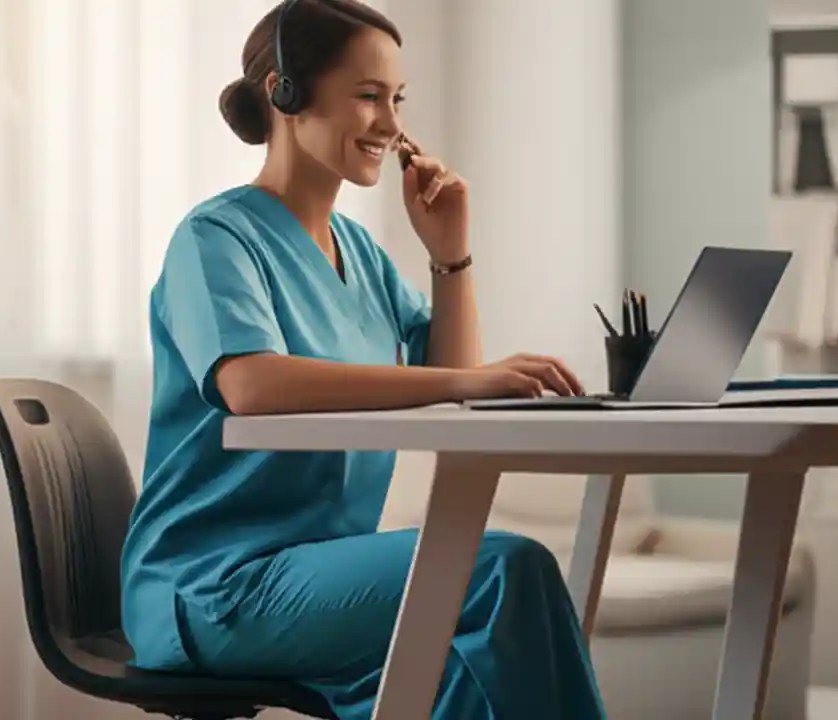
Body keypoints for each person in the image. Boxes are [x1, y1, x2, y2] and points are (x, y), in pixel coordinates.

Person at [119, 1, 606, 717]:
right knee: (503, 568)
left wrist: (452, 256)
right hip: (215, 586)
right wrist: (469, 377)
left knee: (469, 686)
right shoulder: (215, 239)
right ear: (286, 92)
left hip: (316, 578)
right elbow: (249, 383)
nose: (392, 124)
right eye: (370, 96)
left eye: (398, 100)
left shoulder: (364, 256)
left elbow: (452, 393)